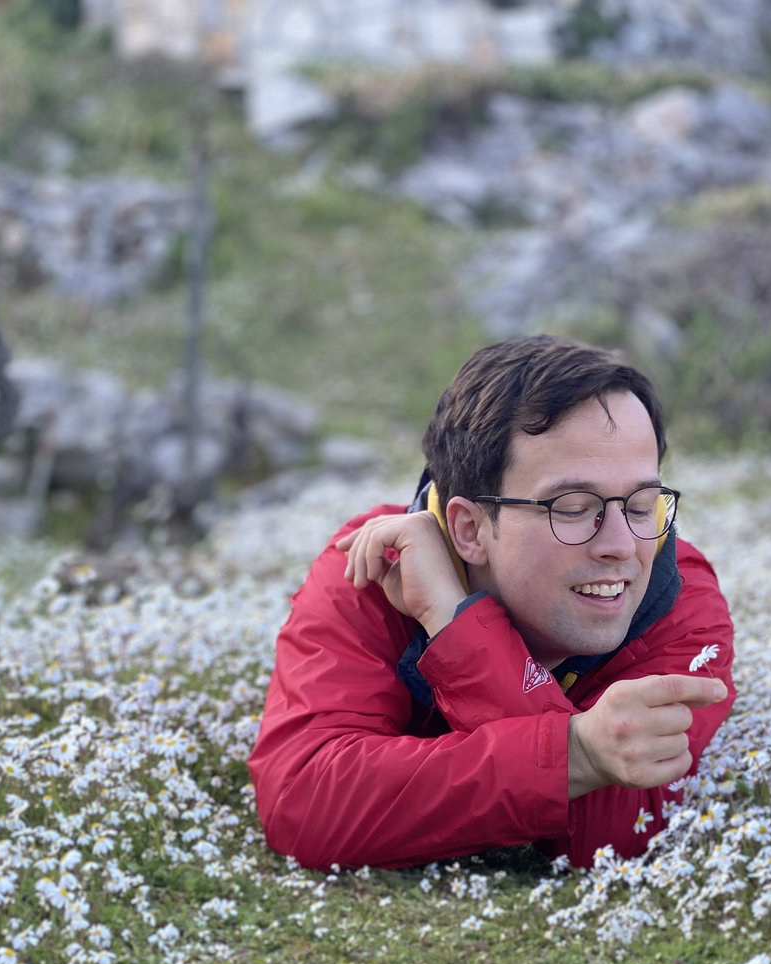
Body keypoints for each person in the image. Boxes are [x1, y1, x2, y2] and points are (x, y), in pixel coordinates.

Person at [248, 335, 735, 871]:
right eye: (573, 509)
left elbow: (615, 832)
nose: (621, 545)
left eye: (641, 505)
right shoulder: (374, 565)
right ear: (469, 528)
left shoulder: (682, 600)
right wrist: (580, 754)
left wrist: (456, 626)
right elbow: (308, 803)